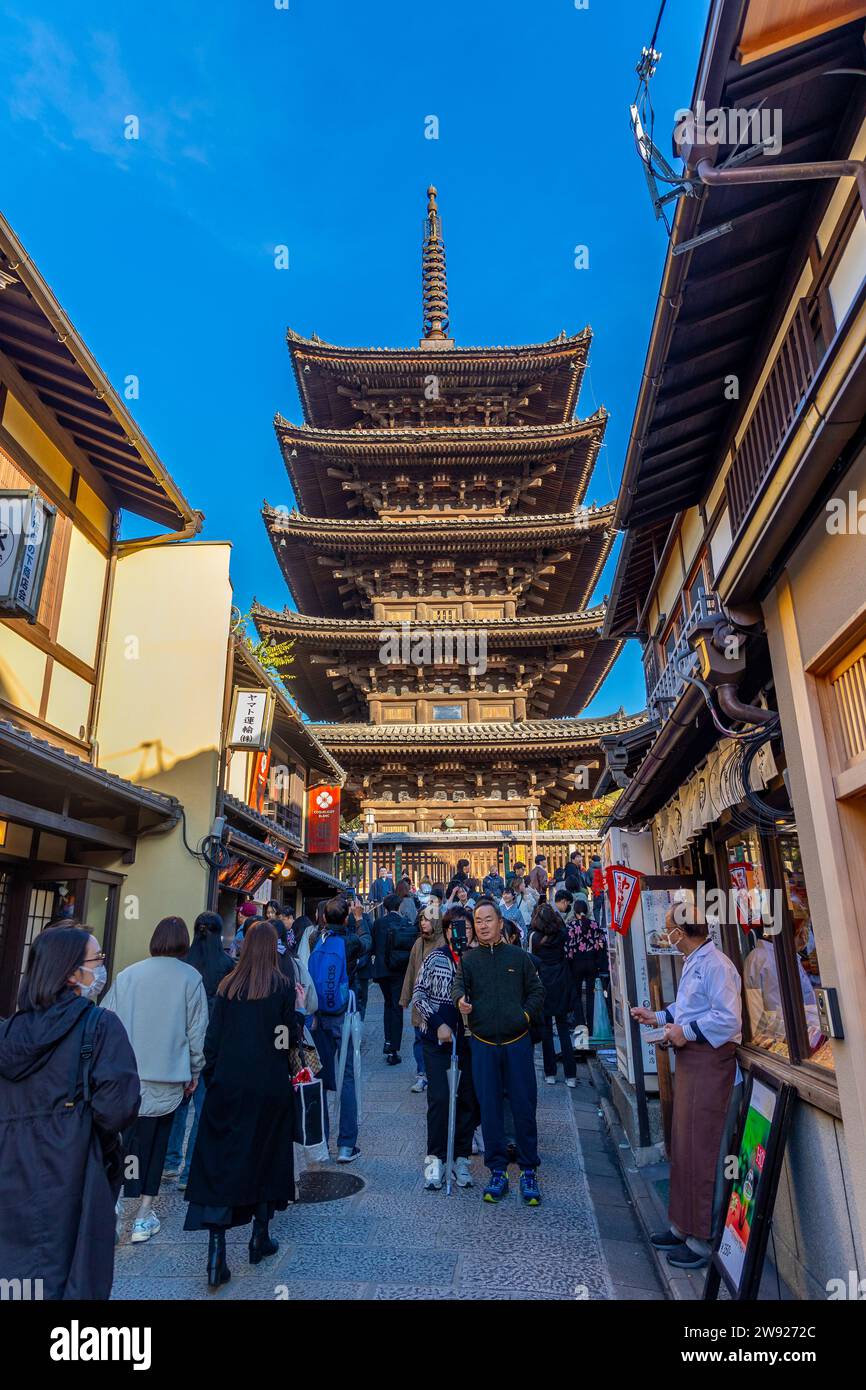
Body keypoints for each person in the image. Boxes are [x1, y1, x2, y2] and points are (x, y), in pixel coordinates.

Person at [0, 925, 140, 1300]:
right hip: (75, 1169)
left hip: (10, 1174)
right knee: (74, 1276)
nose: (102, 968)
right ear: (71, 973)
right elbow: (119, 1107)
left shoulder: (6, 1033)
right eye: (97, 960)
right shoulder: (99, 1026)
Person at [183, 922, 299, 1288]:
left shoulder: (227, 987)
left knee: (222, 1164)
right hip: (268, 1087)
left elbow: (211, 1042)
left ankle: (216, 1250)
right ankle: (259, 1236)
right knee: (266, 1158)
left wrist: (215, 1075)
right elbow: (286, 1042)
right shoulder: (281, 987)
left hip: (228, 1087)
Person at [631, 906, 742, 1269]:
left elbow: (727, 1019)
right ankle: (682, 1225)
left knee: (705, 1150)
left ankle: (702, 1239)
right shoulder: (696, 960)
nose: (667, 935)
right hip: (693, 1062)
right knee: (685, 1145)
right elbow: (689, 1007)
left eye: (670, 929)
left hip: (713, 1066)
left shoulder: (717, 965)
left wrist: (684, 1031)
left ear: (684, 930)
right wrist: (660, 1017)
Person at [104, 917, 208, 1244]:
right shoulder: (190, 978)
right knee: (156, 1146)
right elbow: (197, 1032)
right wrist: (194, 1071)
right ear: (183, 943)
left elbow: (108, 1021)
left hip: (128, 1078)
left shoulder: (128, 975)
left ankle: (115, 1206)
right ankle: (144, 1215)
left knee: (123, 1143)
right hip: (168, 1078)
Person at [451, 896, 545, 1205]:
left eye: (488, 920)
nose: (483, 925)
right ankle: (497, 1170)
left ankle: (529, 1170)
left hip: (517, 1042)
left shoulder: (518, 957)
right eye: (478, 921)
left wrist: (525, 1016)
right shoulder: (469, 960)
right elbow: (458, 987)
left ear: (500, 923)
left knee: (523, 1105)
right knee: (489, 1108)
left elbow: (536, 990)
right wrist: (461, 1001)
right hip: (483, 1044)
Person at [165, 912, 234, 1190]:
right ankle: (190, 1170)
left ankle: (169, 1162)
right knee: (203, 1108)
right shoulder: (228, 965)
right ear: (219, 933)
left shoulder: (181, 964)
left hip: (179, 1043)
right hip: (210, 1046)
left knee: (177, 1106)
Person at [412, 908, 480, 1189]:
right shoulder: (435, 958)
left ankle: (461, 1157)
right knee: (440, 1099)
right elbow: (419, 993)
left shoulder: (475, 961)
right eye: (454, 928)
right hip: (437, 1041)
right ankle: (435, 1158)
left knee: (467, 1099)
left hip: (470, 1041)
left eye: (465, 928)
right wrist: (438, 1022)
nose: (460, 933)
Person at [310, 896, 364, 1161]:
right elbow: (366, 945)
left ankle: (320, 1141)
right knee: (347, 1077)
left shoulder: (315, 940)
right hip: (343, 1013)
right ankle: (346, 1144)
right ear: (346, 918)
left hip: (318, 1015)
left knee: (319, 1074)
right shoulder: (351, 942)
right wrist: (357, 920)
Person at [528, 904, 577, 1087]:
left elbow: (531, 962)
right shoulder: (562, 934)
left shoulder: (534, 937)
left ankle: (550, 1073)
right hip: (562, 981)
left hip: (543, 983)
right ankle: (570, 1076)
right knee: (563, 1028)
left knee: (546, 1029)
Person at [400, 900, 445, 1093]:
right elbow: (411, 970)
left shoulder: (444, 942)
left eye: (427, 920)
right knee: (419, 1038)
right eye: (421, 920)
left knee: (437, 1039)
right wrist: (405, 997)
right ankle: (422, 1074)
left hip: (439, 1001)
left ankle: (438, 1073)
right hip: (420, 1001)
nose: (423, 923)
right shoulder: (418, 943)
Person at [372, 893, 418, 1065]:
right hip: (398, 970)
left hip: (382, 970)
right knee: (397, 1008)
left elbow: (374, 946)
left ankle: (387, 1040)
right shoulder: (404, 923)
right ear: (399, 907)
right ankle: (394, 1049)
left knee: (387, 1004)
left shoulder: (378, 923)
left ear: (385, 907)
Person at [566, 900, 608, 1034]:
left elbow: (568, 948)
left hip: (576, 964)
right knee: (592, 996)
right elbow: (602, 943)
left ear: (575, 912)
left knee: (576, 995)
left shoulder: (571, 926)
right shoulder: (594, 925)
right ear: (587, 910)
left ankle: (580, 1024)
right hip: (592, 963)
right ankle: (592, 1024)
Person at [347, 898, 373, 1020]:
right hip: (362, 966)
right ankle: (358, 1027)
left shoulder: (345, 918)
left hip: (351, 966)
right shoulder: (364, 918)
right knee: (362, 1001)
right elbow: (369, 939)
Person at [589, 854, 606, 928]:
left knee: (596, 909)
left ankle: (597, 925)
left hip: (596, 891)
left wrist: (591, 885)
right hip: (605, 891)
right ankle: (604, 925)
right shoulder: (604, 867)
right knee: (605, 909)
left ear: (592, 861)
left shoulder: (590, 870)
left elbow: (587, 881)